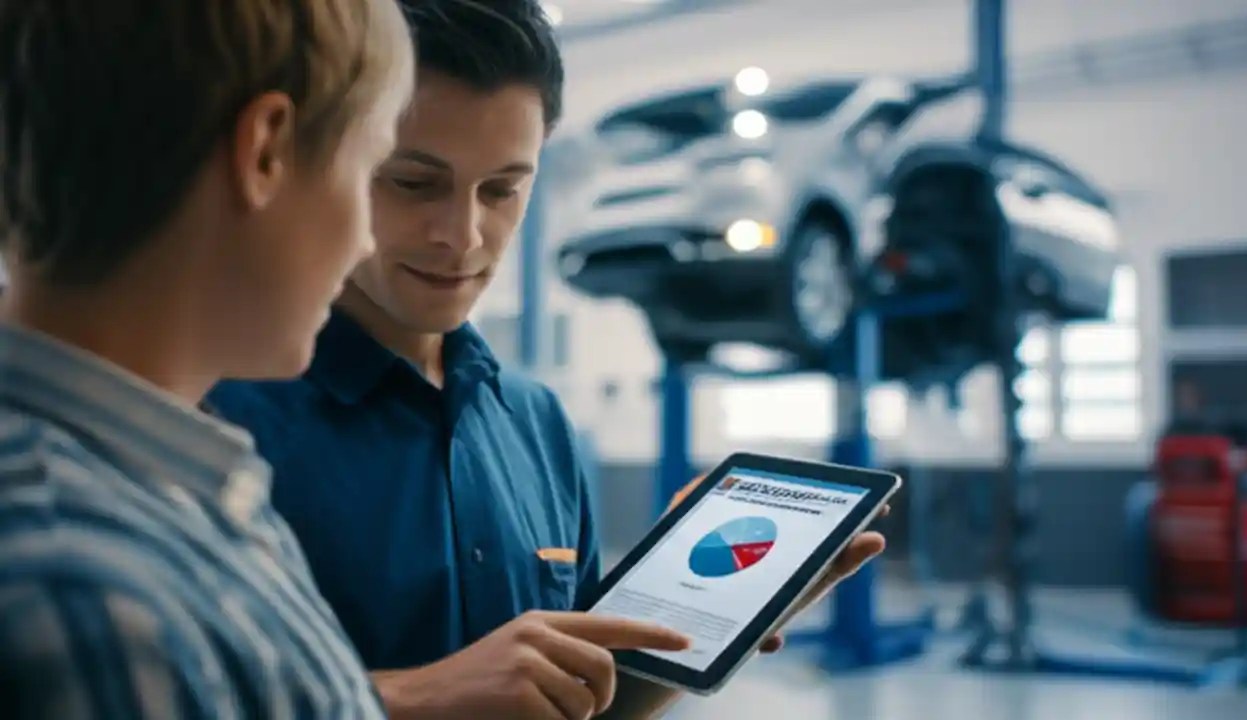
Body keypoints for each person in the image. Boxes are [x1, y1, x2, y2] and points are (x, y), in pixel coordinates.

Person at [208, 1, 886, 718]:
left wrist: (709, 630)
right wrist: (415, 698)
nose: (464, 235)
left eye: (502, 190)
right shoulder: (215, 411)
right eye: (414, 182)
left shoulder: (537, 426)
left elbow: (579, 704)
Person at [1, 0, 418, 715]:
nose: (367, 244)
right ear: (265, 151)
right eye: (370, 168)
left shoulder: (172, 491)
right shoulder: (95, 600)